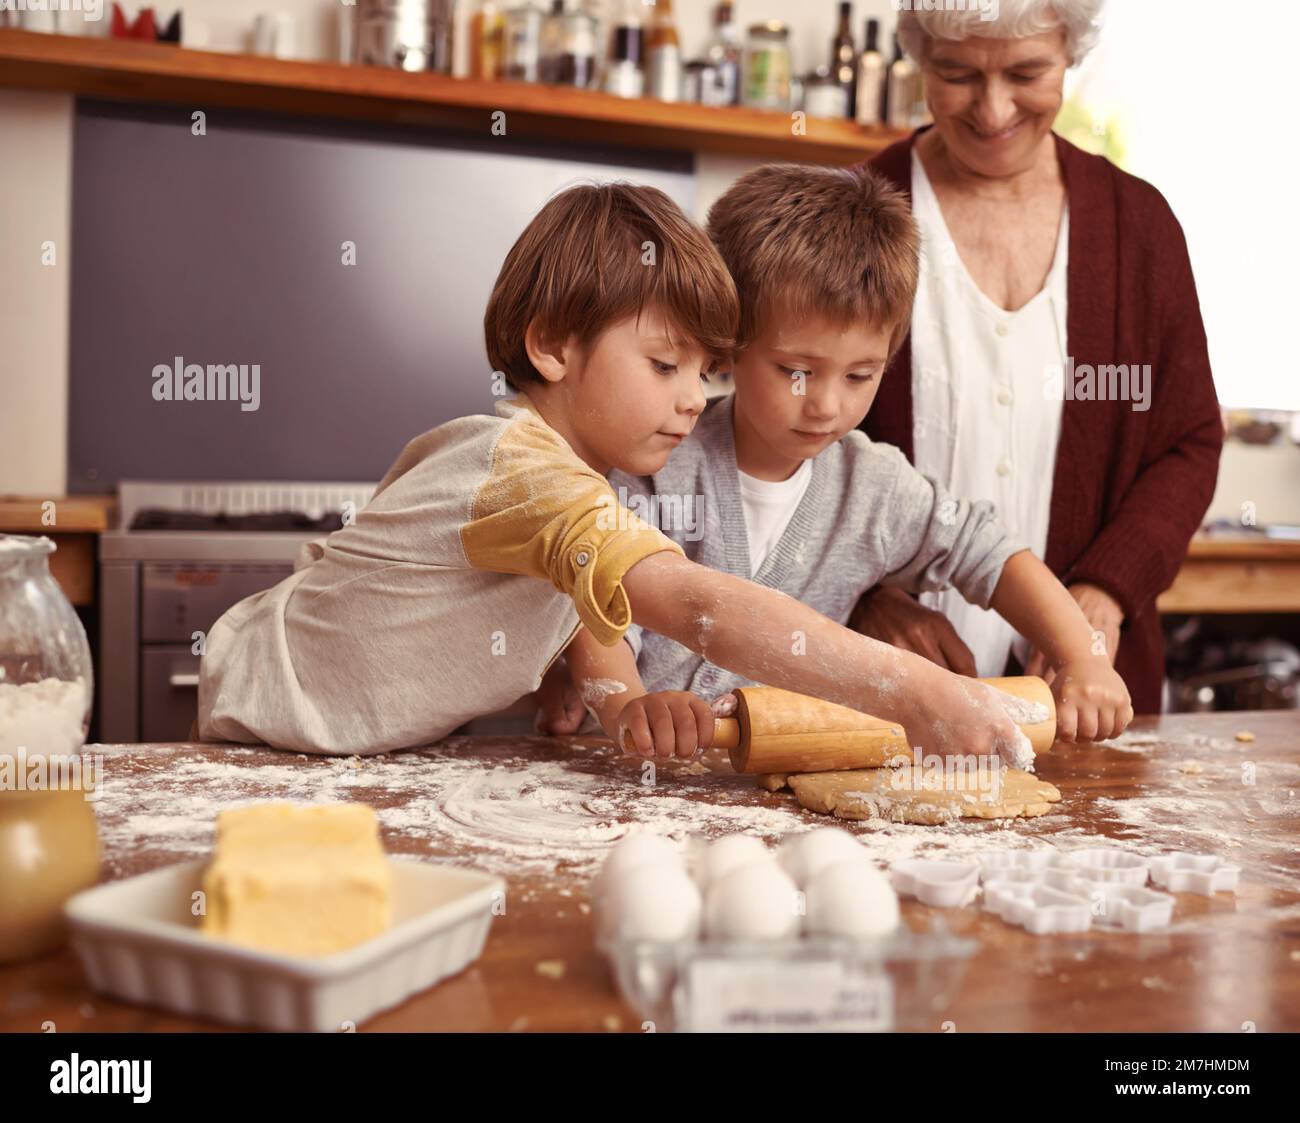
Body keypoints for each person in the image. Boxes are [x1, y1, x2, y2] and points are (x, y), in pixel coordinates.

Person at [198, 182, 1034, 761]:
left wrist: (602, 690)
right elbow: (701, 605)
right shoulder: (520, 468)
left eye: (704, 372)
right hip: (269, 722)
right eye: (665, 364)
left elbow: (577, 601)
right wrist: (919, 694)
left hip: (332, 744)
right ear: (554, 344)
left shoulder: (568, 490)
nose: (689, 400)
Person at [545, 163, 1131, 754]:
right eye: (795, 371)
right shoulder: (653, 461)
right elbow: (595, 600)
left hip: (780, 794)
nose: (826, 404)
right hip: (635, 781)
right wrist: (625, 701)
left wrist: (1084, 657)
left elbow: (991, 553)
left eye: (860, 374)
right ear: (729, 346)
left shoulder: (874, 486)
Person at [850, 0, 1222, 713]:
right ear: (920, 57)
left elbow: (1190, 439)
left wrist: (1104, 592)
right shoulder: (849, 214)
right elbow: (778, 444)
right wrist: (863, 595)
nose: (992, 111)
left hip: (1082, 703)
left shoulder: (1139, 228)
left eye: (1026, 72)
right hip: (882, 700)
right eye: (956, 73)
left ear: (1070, 54)